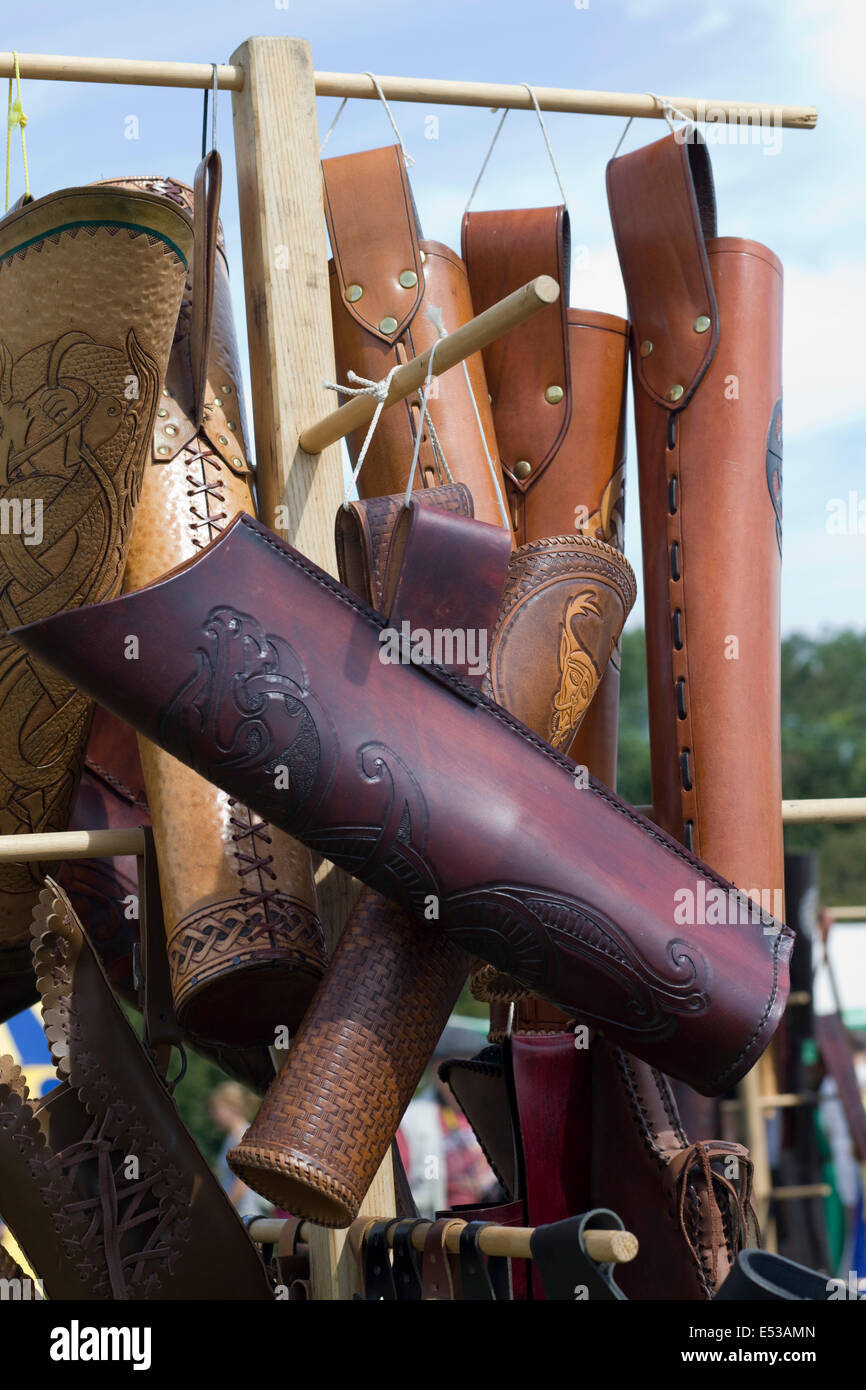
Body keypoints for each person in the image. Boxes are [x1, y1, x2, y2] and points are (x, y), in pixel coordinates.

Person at [209, 1080, 271, 1220]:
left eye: (217, 1108)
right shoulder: (234, 1136)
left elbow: (243, 1181)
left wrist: (226, 1208)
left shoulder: (240, 1136)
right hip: (240, 1214)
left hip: (244, 1214)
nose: (213, 1114)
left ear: (232, 1107)